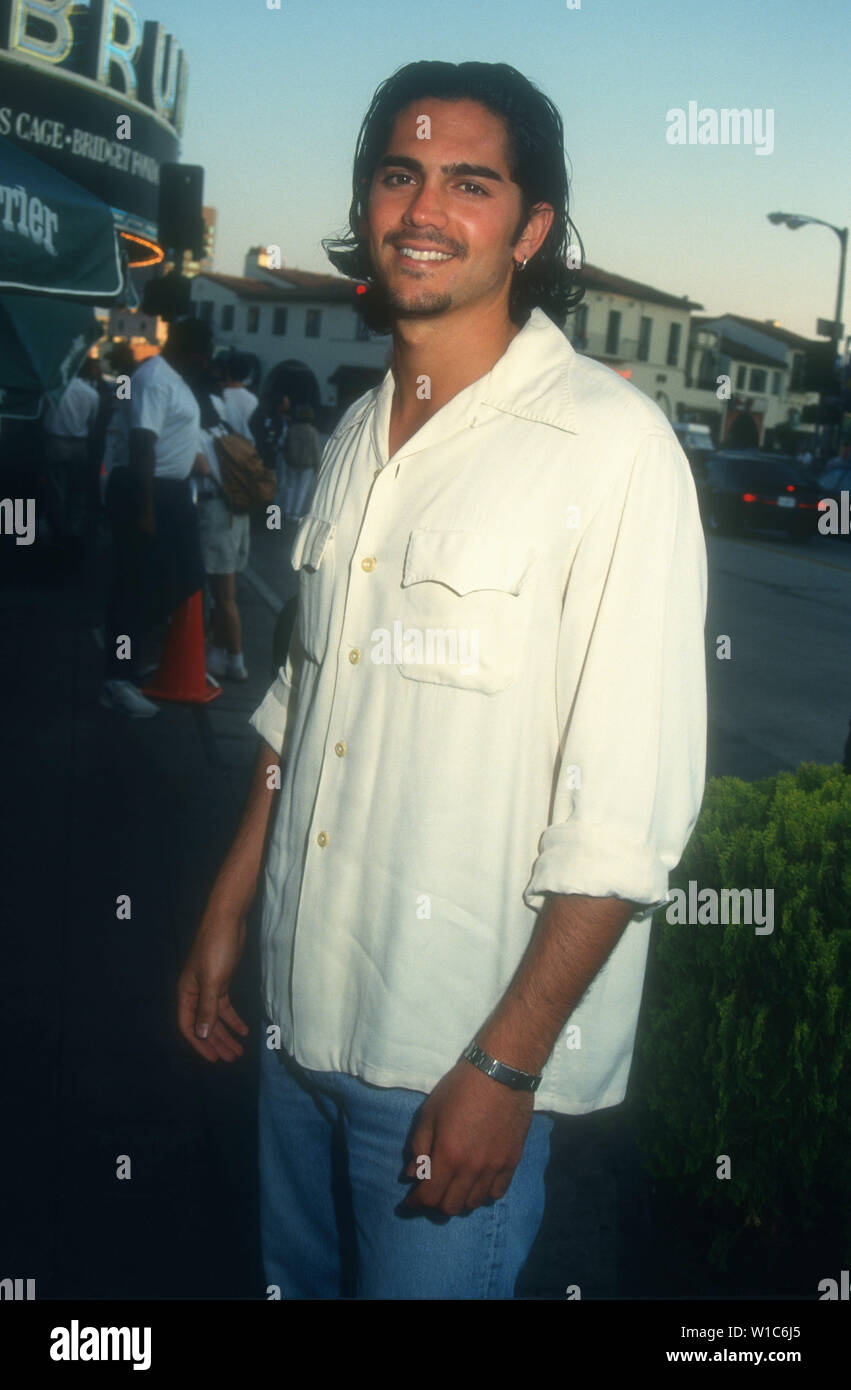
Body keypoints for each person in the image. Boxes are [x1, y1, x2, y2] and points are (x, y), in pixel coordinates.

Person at [178, 60, 707, 1299]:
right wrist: (225, 904)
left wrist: (509, 1067)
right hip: (297, 1021)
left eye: (470, 183)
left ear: (527, 228)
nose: (424, 209)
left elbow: (625, 815)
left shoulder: (610, 448)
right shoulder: (365, 429)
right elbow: (306, 699)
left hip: (448, 1058)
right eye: (399, 174)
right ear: (367, 204)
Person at [99, 318, 211, 718]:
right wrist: (145, 510)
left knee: (185, 576)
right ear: (192, 353)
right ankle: (116, 678)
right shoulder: (153, 377)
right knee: (136, 583)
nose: (204, 363)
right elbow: (143, 443)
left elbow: (172, 434)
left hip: (173, 490)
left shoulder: (175, 379)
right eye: (203, 355)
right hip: (149, 490)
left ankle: (120, 639)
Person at [186, 364, 251, 682]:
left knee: (223, 596)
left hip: (216, 513)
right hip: (239, 515)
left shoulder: (197, 434)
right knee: (224, 592)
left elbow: (199, 467)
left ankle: (236, 660)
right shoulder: (225, 429)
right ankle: (218, 653)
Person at [42, 365, 99, 555]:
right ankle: (73, 529)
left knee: (57, 489)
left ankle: (58, 531)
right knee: (77, 490)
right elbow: (93, 422)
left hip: (56, 442)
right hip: (79, 445)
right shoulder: (91, 394)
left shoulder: (54, 390)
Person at [280, 403, 322, 520]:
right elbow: (316, 450)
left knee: (291, 486)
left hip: (292, 462)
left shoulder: (292, 429)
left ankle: (287, 511)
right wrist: (317, 466)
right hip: (307, 464)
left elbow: (285, 446)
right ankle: (295, 514)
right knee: (302, 489)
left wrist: (287, 459)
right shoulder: (312, 432)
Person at [250, 392, 291, 493]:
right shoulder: (270, 419)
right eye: (286, 403)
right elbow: (267, 437)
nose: (288, 405)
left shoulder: (286, 419)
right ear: (279, 405)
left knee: (280, 483)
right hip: (271, 455)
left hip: (281, 455)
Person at [221, 355, 259, 440]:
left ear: (227, 372)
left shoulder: (220, 395)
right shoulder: (253, 400)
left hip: (222, 440)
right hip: (242, 443)